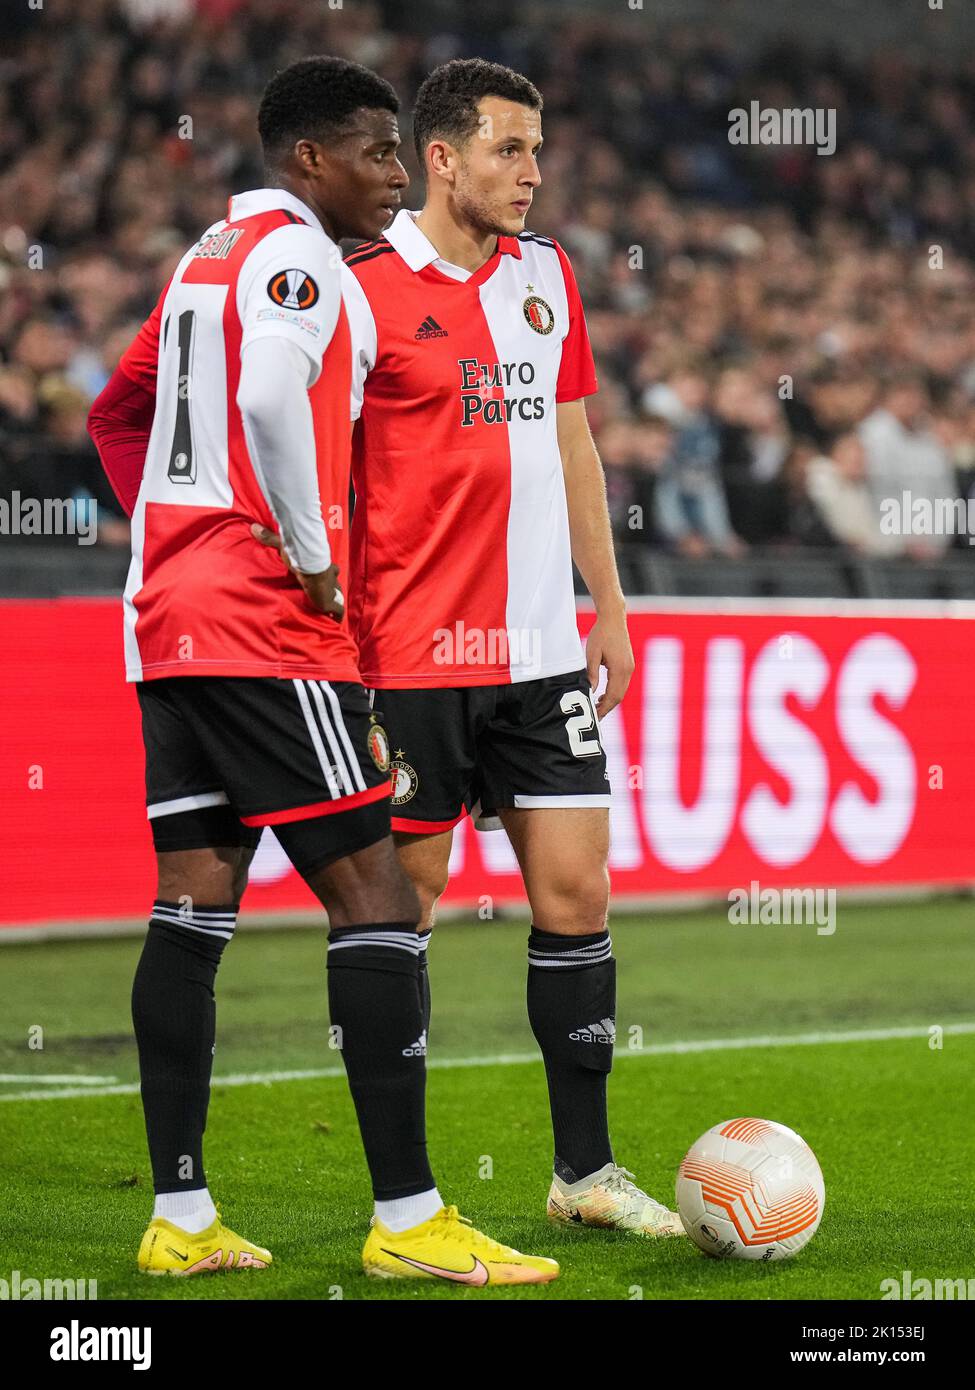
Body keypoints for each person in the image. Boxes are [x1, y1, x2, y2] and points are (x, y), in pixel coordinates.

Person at [88, 55, 558, 1286]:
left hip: (166, 626)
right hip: (263, 624)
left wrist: (169, 532)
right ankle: (410, 1220)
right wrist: (304, 556)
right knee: (381, 906)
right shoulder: (301, 262)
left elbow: (116, 412)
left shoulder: (204, 261)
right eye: (377, 151)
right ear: (309, 161)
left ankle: (179, 1217)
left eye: (404, 152)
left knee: (191, 903)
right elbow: (265, 396)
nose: (397, 176)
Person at [326, 59, 683, 1237]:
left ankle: (583, 1173)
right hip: (410, 659)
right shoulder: (362, 286)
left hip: (538, 656)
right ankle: (410, 1200)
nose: (532, 174)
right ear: (441, 156)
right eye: (508, 151)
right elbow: (318, 468)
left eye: (538, 152)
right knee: (400, 914)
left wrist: (611, 600)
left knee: (579, 895)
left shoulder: (547, 276)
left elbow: (573, 443)